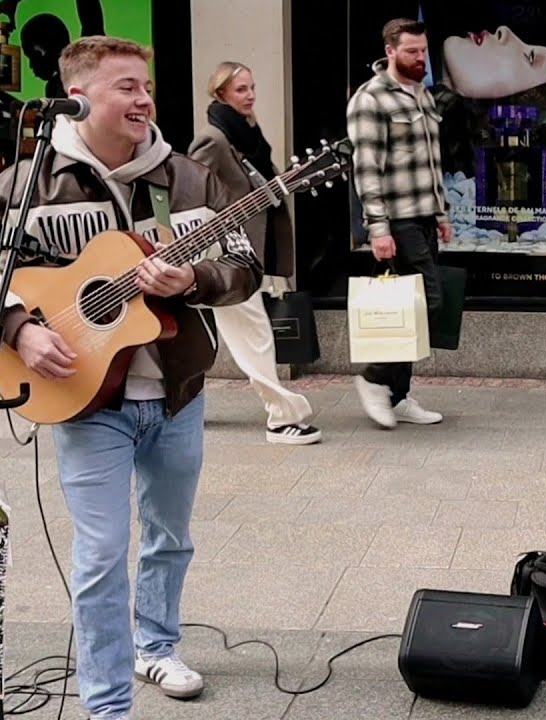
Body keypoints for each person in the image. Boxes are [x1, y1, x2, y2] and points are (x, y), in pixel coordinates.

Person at [0, 36, 263, 720]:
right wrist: (21, 330)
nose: (145, 98)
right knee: (99, 557)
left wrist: (194, 277)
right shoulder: (31, 181)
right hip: (88, 402)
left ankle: (156, 645)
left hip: (176, 394)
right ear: (80, 96)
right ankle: (107, 705)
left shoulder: (188, 177)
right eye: (126, 87)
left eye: (146, 85)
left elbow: (245, 267)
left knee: (171, 536)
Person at [189, 61, 321, 445]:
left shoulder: (248, 136)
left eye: (251, 88)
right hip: (222, 253)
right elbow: (191, 191)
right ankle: (282, 418)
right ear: (221, 94)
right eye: (240, 90)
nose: (249, 96)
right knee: (255, 332)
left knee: (211, 333)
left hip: (246, 251)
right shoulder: (214, 139)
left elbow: (259, 188)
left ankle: (176, 406)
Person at [346, 18, 451, 428]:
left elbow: (430, 163)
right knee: (426, 303)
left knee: (408, 307)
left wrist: (440, 213)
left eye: (424, 50)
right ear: (390, 50)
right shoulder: (370, 99)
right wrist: (378, 228)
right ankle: (374, 379)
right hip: (397, 220)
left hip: (423, 216)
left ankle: (398, 397)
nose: (420, 57)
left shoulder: (421, 94)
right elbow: (367, 170)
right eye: (412, 51)